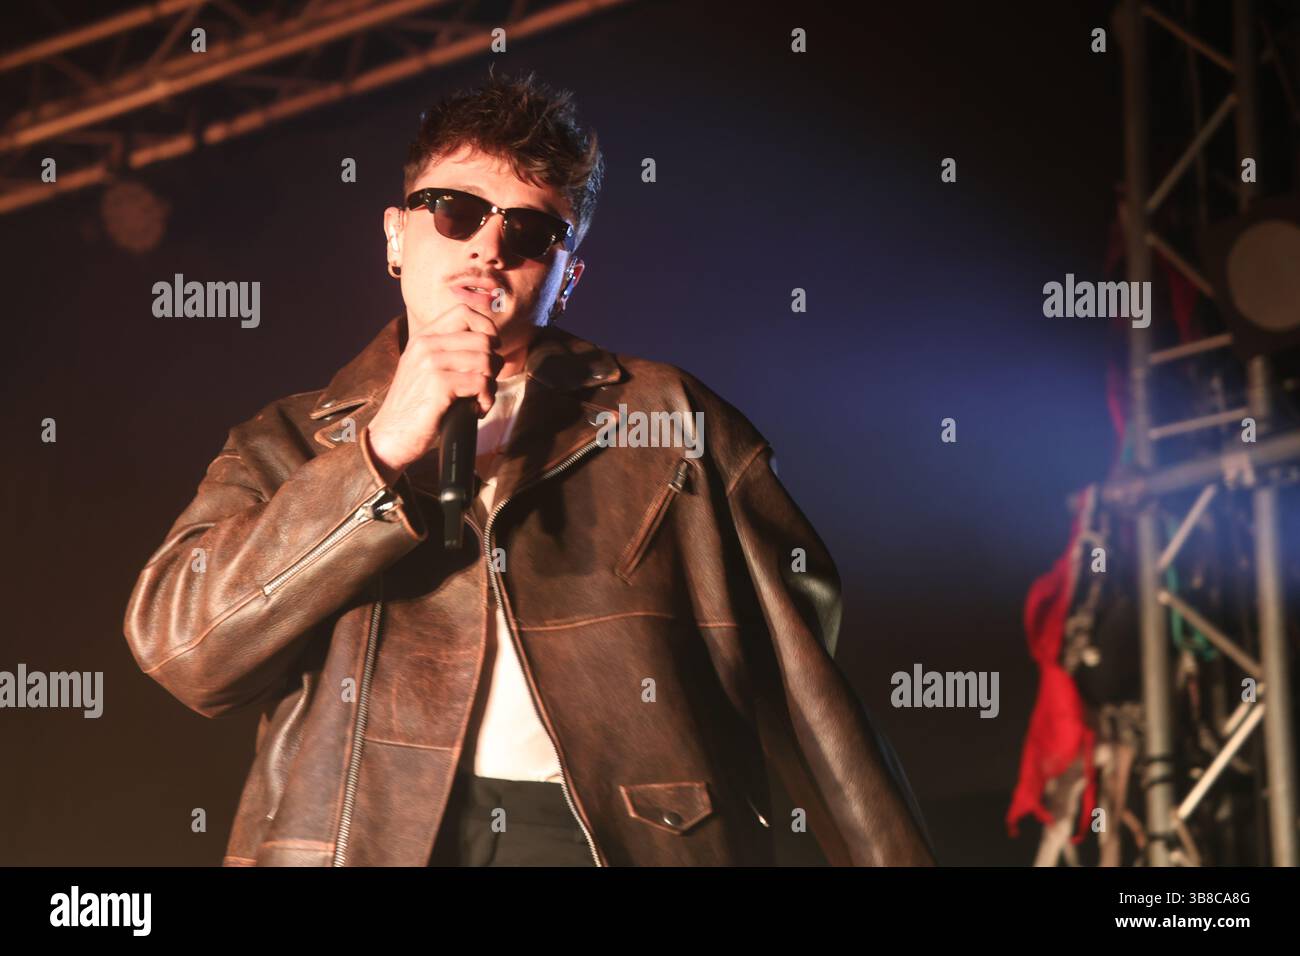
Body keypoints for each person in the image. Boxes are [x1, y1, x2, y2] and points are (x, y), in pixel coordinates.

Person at [122, 66, 936, 867]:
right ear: (396, 237)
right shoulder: (287, 440)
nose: (486, 247)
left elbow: (805, 682)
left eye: (529, 231)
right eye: (456, 211)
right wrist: (380, 453)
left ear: (566, 276)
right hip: (367, 840)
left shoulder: (670, 418)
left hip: (609, 841)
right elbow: (184, 652)